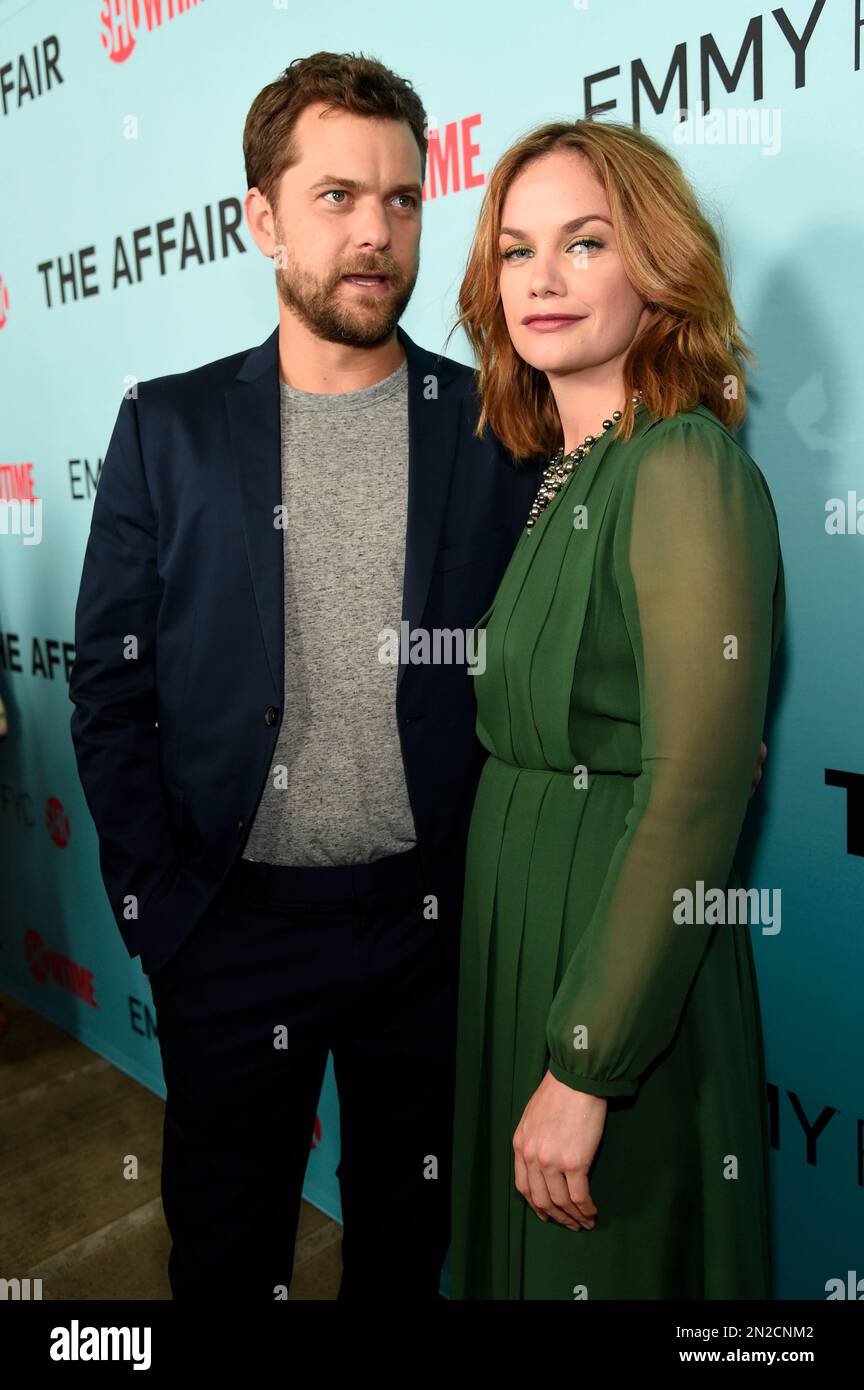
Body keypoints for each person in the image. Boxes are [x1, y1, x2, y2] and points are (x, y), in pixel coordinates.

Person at [68, 53, 766, 1301]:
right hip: (231, 933)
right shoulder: (164, 429)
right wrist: (158, 916)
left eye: (401, 199)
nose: (375, 233)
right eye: (337, 197)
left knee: (409, 1257)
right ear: (262, 217)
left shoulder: (499, 428)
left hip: (441, 940)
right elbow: (111, 690)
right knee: (226, 1257)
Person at [448, 118, 785, 1300]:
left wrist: (588, 1062)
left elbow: (695, 788)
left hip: (616, 983)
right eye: (515, 249)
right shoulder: (566, 468)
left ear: (656, 263)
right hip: (522, 957)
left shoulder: (682, 466)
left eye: (584, 243)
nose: (541, 277)